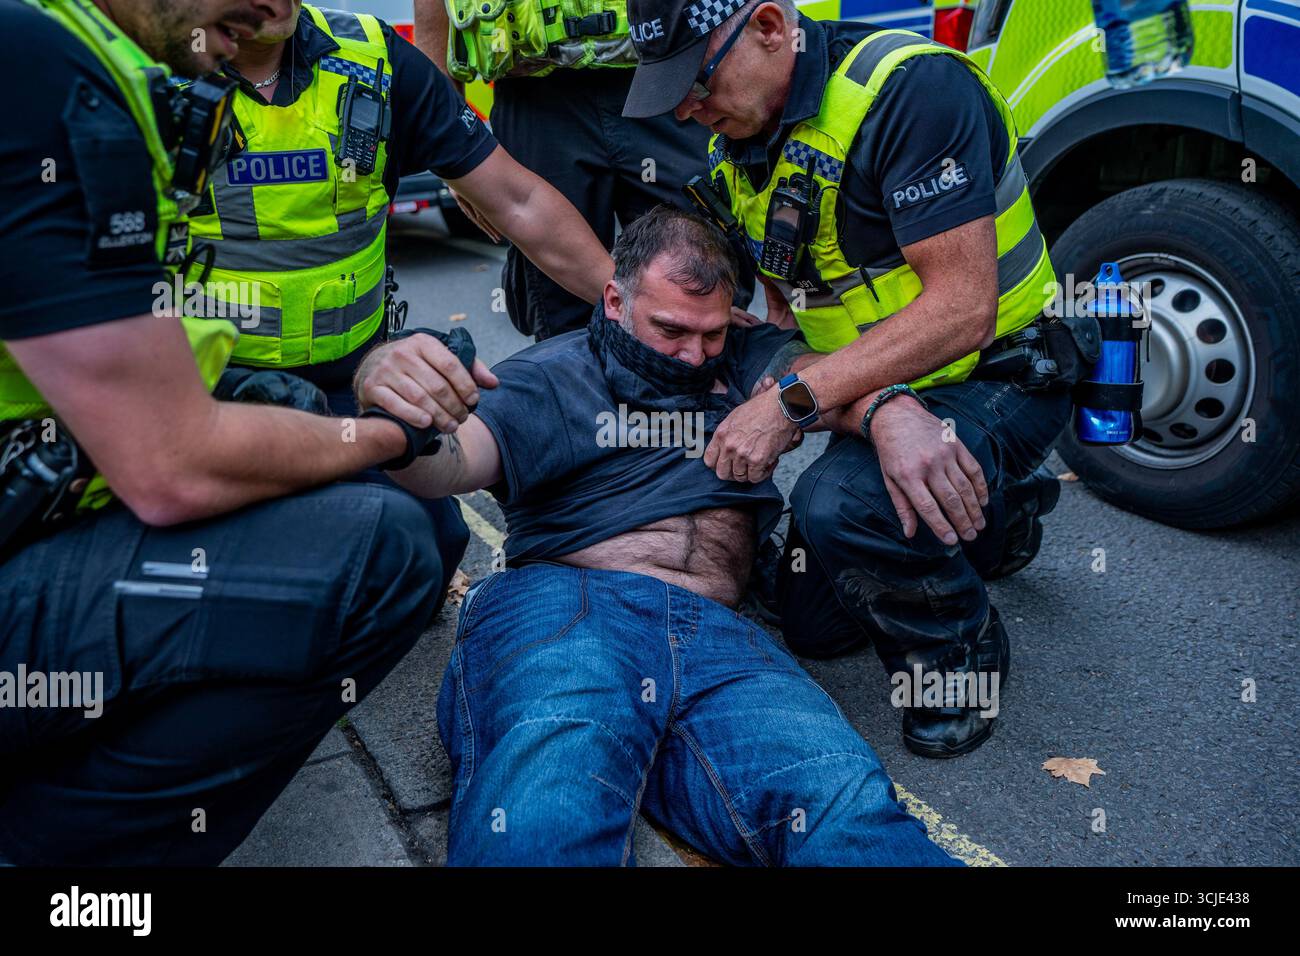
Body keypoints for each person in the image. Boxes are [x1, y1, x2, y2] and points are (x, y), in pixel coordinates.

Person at [353, 206, 960, 866]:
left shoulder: (747, 356)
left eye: (711, 333)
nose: (694, 353)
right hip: (567, 608)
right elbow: (448, 463)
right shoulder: (548, 377)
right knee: (548, 802)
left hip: (720, 635)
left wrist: (891, 410)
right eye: (671, 328)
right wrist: (398, 410)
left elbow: (833, 377)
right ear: (615, 299)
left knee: (843, 802)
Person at [0, 0, 454, 864]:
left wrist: (291, 395)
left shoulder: (63, 53)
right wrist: (385, 436)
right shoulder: (40, 68)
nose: (275, 10)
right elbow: (170, 467)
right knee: (381, 550)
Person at [622, 0, 1094, 757]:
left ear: (770, 27)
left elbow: (963, 310)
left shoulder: (910, 93)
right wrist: (877, 408)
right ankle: (994, 516)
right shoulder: (741, 145)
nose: (686, 109)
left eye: (698, 81)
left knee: (842, 507)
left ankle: (960, 658)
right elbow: (780, 320)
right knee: (812, 624)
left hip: (1000, 367)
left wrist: (791, 403)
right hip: (884, 386)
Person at [186, 0, 617, 594]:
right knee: (236, 580)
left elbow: (518, 202)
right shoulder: (145, 74)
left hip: (354, 381)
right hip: (204, 391)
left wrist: (626, 305)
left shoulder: (375, 56)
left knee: (424, 553)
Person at [413, 0, 751, 342]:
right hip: (535, 91)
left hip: (666, 71)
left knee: (703, 282)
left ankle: (715, 392)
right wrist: (450, 140)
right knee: (561, 311)